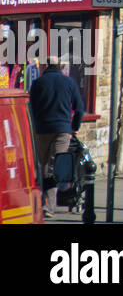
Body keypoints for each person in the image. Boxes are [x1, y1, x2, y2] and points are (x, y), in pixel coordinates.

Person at [28, 56, 85, 216]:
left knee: (43, 167)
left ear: (46, 66)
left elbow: (31, 107)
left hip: (42, 130)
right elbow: (79, 108)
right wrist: (75, 128)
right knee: (56, 167)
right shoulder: (69, 82)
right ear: (60, 66)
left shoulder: (38, 83)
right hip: (63, 130)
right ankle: (49, 206)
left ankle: (42, 203)